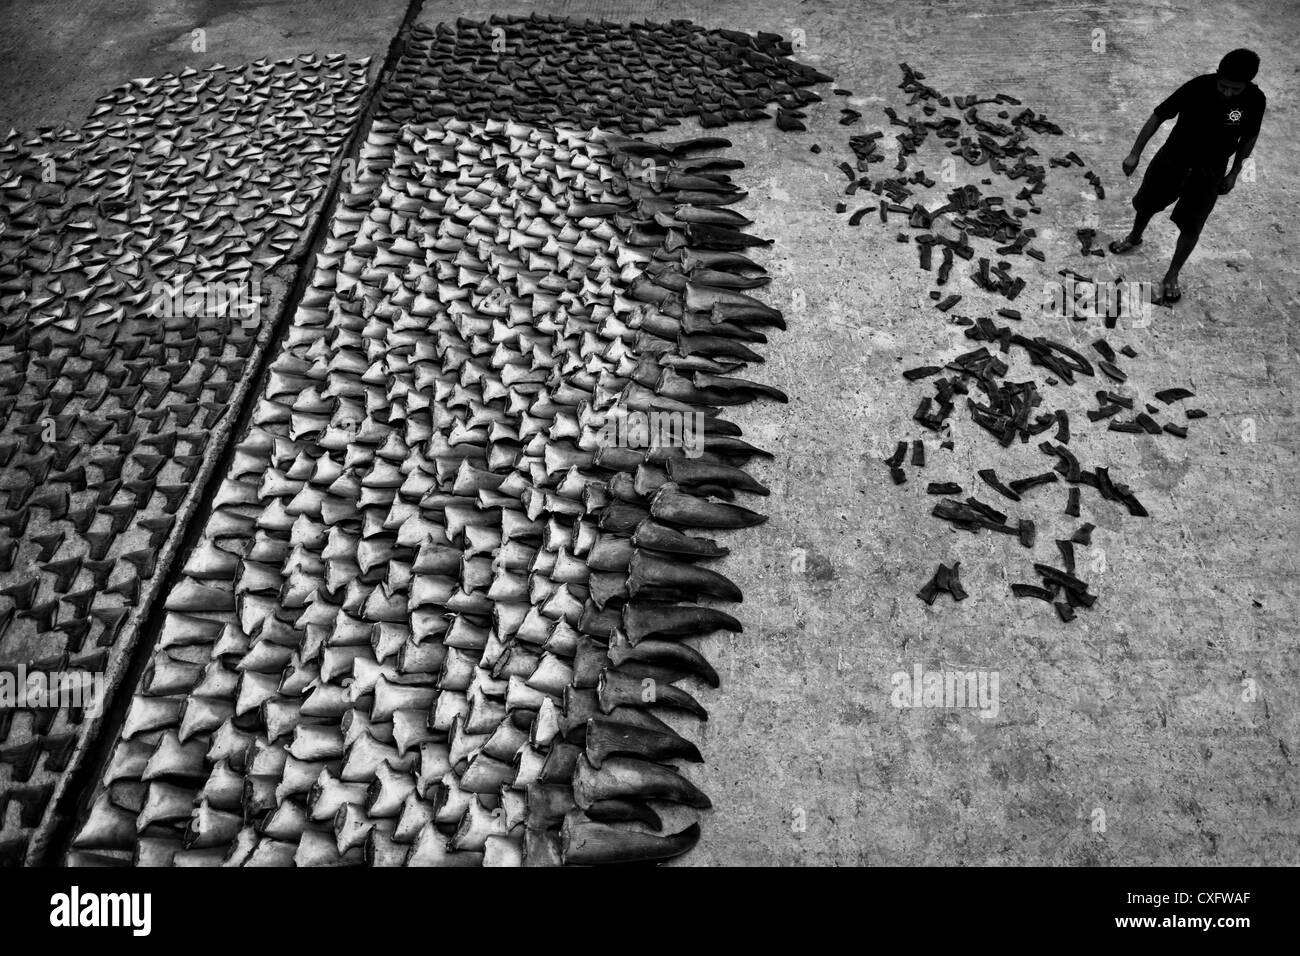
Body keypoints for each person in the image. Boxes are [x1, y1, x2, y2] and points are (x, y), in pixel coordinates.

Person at [1109, 49, 1265, 303]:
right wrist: (1135, 153)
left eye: (1235, 90)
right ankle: (1134, 237)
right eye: (1223, 85)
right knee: (1146, 204)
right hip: (1172, 160)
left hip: (1209, 172)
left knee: (1192, 225)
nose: (1227, 93)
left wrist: (1235, 172)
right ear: (1218, 75)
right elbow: (1159, 115)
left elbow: (1249, 137)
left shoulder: (1255, 100)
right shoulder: (1197, 87)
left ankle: (1172, 274)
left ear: (1247, 84)